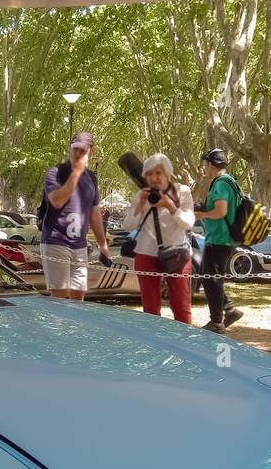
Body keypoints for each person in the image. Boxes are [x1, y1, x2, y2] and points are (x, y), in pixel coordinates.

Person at [124, 153, 195, 324]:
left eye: (158, 173)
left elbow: (188, 223)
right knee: (150, 308)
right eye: (149, 174)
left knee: (181, 305)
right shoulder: (142, 194)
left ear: (168, 173)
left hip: (176, 253)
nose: (154, 178)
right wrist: (140, 203)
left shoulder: (182, 191)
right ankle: (154, 345)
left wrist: (170, 206)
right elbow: (128, 226)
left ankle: (185, 344)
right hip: (146, 253)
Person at [39, 132, 110, 301]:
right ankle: (57, 328)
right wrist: (76, 173)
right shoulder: (55, 172)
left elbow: (94, 214)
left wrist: (103, 245)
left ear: (91, 151)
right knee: (61, 297)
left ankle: (74, 329)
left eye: (83, 150)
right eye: (75, 149)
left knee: (79, 296)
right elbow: (57, 200)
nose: (78, 153)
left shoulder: (91, 178)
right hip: (56, 241)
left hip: (79, 245)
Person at [192, 148, 244, 333]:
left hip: (219, 238)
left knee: (210, 279)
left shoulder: (221, 184)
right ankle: (229, 310)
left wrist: (201, 214)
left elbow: (221, 211)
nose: (204, 168)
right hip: (224, 238)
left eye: (206, 164)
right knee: (209, 278)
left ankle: (217, 321)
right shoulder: (230, 183)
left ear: (211, 164)